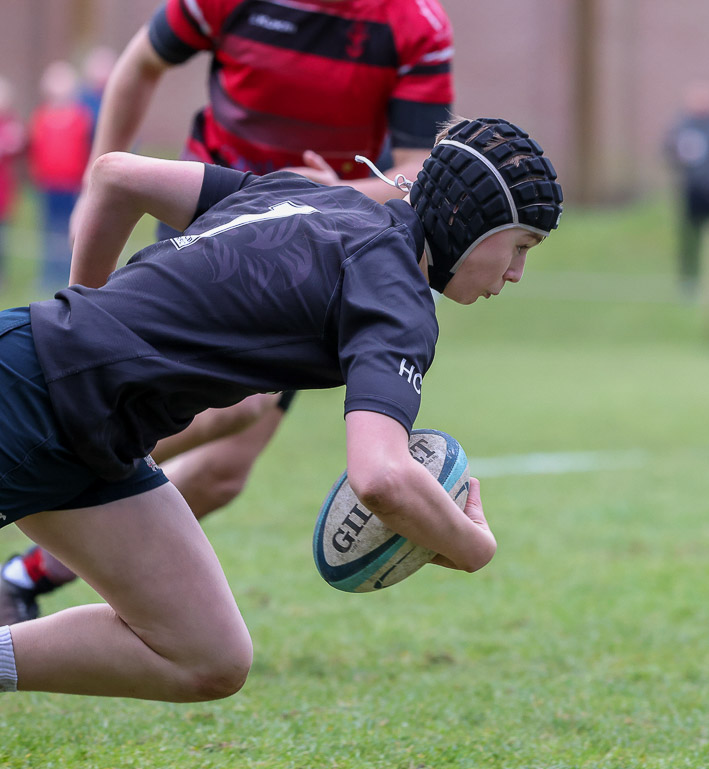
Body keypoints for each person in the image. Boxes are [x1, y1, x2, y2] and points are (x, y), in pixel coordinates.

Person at [0, 116, 564, 702]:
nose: (517, 273)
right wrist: (473, 548)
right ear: (469, 221)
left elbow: (117, 177)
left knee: (207, 655)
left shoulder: (309, 196)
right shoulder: (396, 299)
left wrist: (80, 315)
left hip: (97, 438)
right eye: (520, 246)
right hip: (27, 400)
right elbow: (381, 478)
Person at [1, 0, 458, 624]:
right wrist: (90, 188)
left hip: (323, 253)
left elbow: (415, 172)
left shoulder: (414, 25)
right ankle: (61, 444)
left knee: (223, 471)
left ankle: (23, 573)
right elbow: (139, 65)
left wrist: (334, 196)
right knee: (219, 407)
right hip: (217, 217)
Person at [663, 79, 709, 298]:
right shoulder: (682, 126)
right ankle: (689, 280)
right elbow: (668, 152)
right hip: (691, 190)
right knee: (690, 238)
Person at [28, 61, 92, 292]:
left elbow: (86, 148)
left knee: (71, 229)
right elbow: (36, 149)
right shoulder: (41, 117)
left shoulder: (80, 117)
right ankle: (49, 273)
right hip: (48, 185)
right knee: (49, 229)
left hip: (72, 185)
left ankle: (70, 273)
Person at [0, 77, 24, 291]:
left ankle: (2, 275)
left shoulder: (12, 124)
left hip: (3, 192)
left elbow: (16, 146)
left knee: (3, 237)